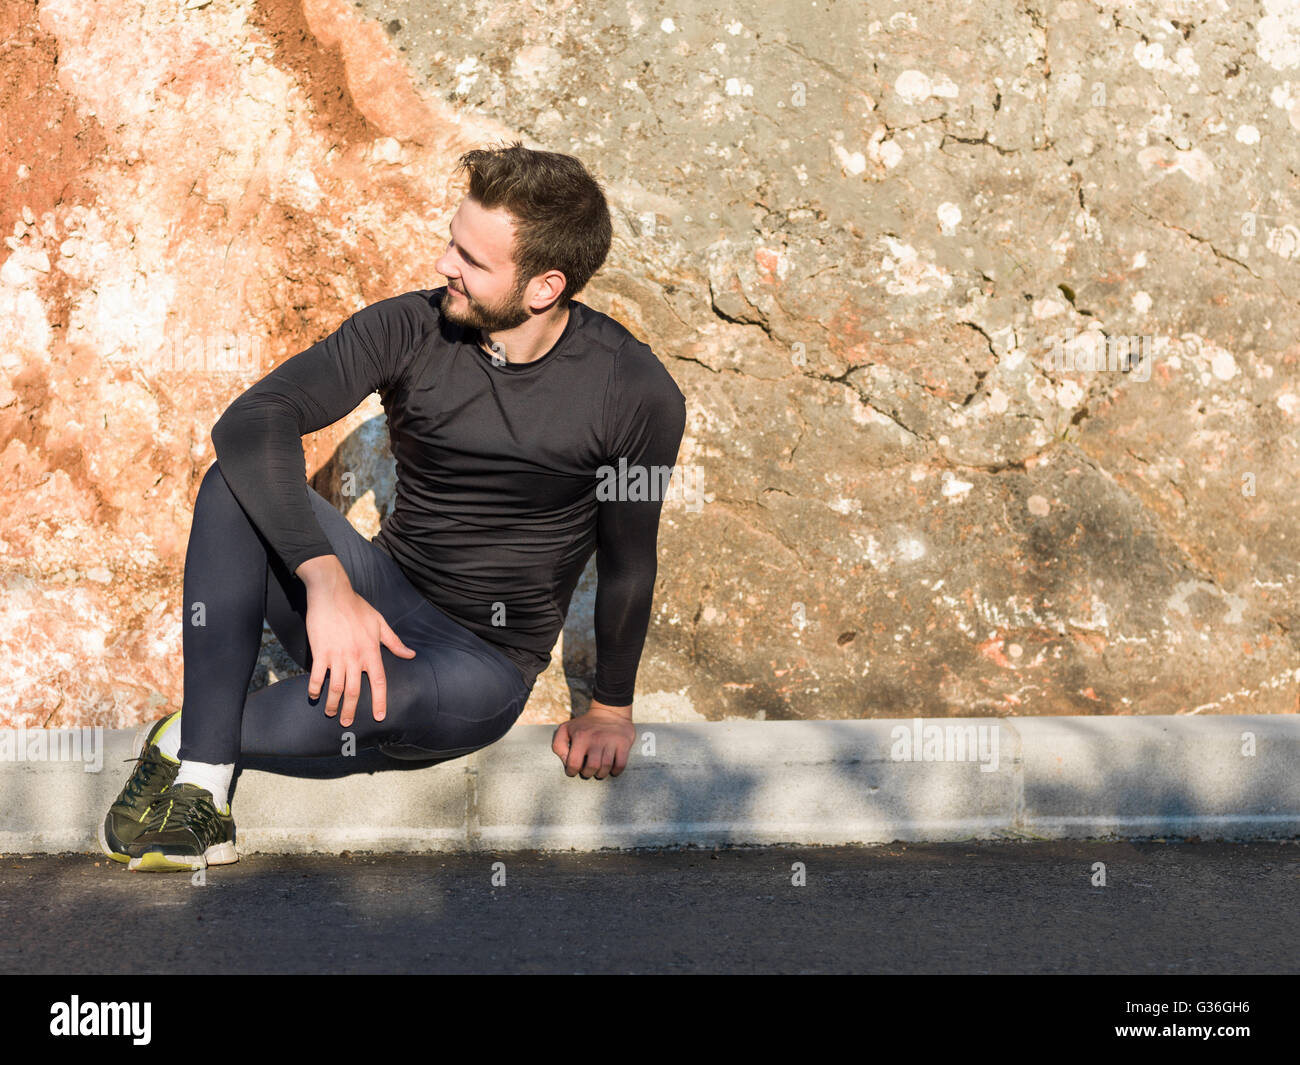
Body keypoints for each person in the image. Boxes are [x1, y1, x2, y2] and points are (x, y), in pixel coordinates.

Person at [99, 141, 688, 872]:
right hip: (379, 595)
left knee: (386, 701)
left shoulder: (635, 392)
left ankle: (184, 737)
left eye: (472, 259)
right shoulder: (411, 328)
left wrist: (610, 707)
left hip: (480, 658)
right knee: (234, 482)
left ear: (543, 287)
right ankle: (204, 790)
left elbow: (631, 557)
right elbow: (254, 420)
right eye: (452, 241)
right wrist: (327, 580)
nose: (446, 264)